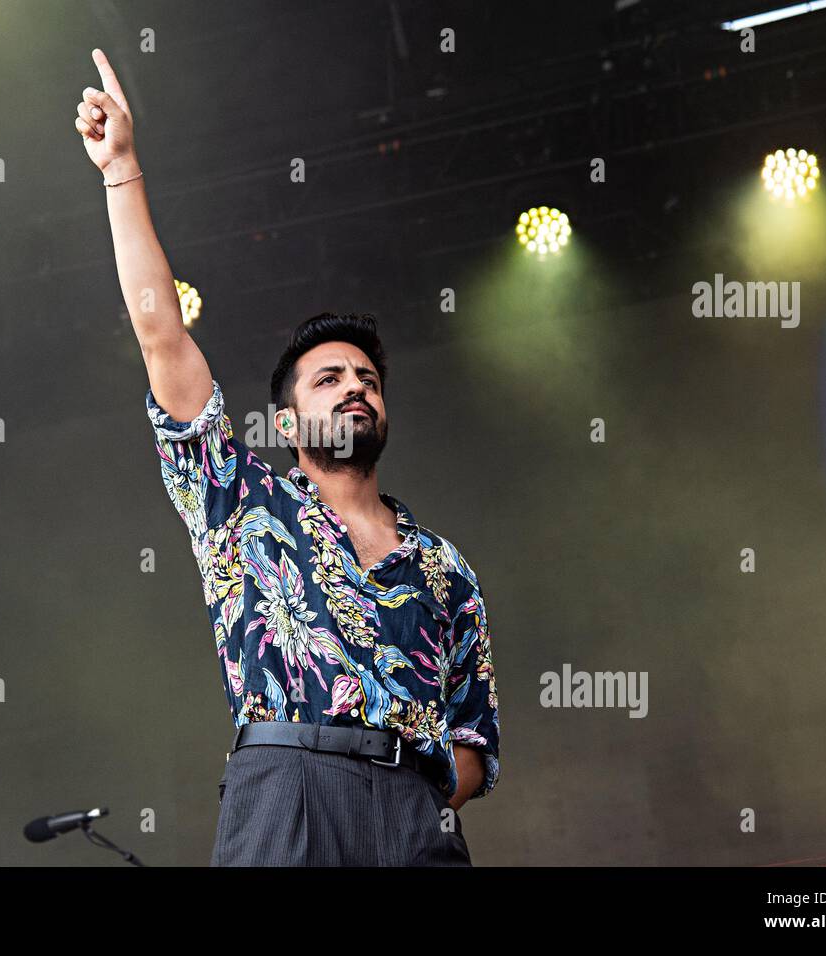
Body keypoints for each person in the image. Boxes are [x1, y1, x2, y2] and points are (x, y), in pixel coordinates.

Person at [76, 48, 499, 866]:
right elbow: (161, 334)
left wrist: (403, 802)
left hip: (415, 812)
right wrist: (121, 171)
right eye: (330, 377)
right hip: (286, 786)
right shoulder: (240, 500)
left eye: (369, 380)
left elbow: (475, 736)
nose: (355, 390)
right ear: (286, 416)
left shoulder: (446, 569)